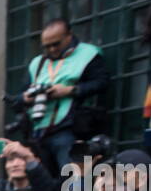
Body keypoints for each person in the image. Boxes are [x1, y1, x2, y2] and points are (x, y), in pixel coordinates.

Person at [25, 18, 110, 174]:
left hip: (70, 128)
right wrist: (26, 98)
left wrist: (70, 90)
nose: (51, 49)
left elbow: (102, 82)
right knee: (42, 182)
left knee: (71, 178)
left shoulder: (88, 54)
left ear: (69, 36)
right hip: (39, 131)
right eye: (46, 46)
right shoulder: (37, 63)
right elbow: (22, 94)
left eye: (56, 44)